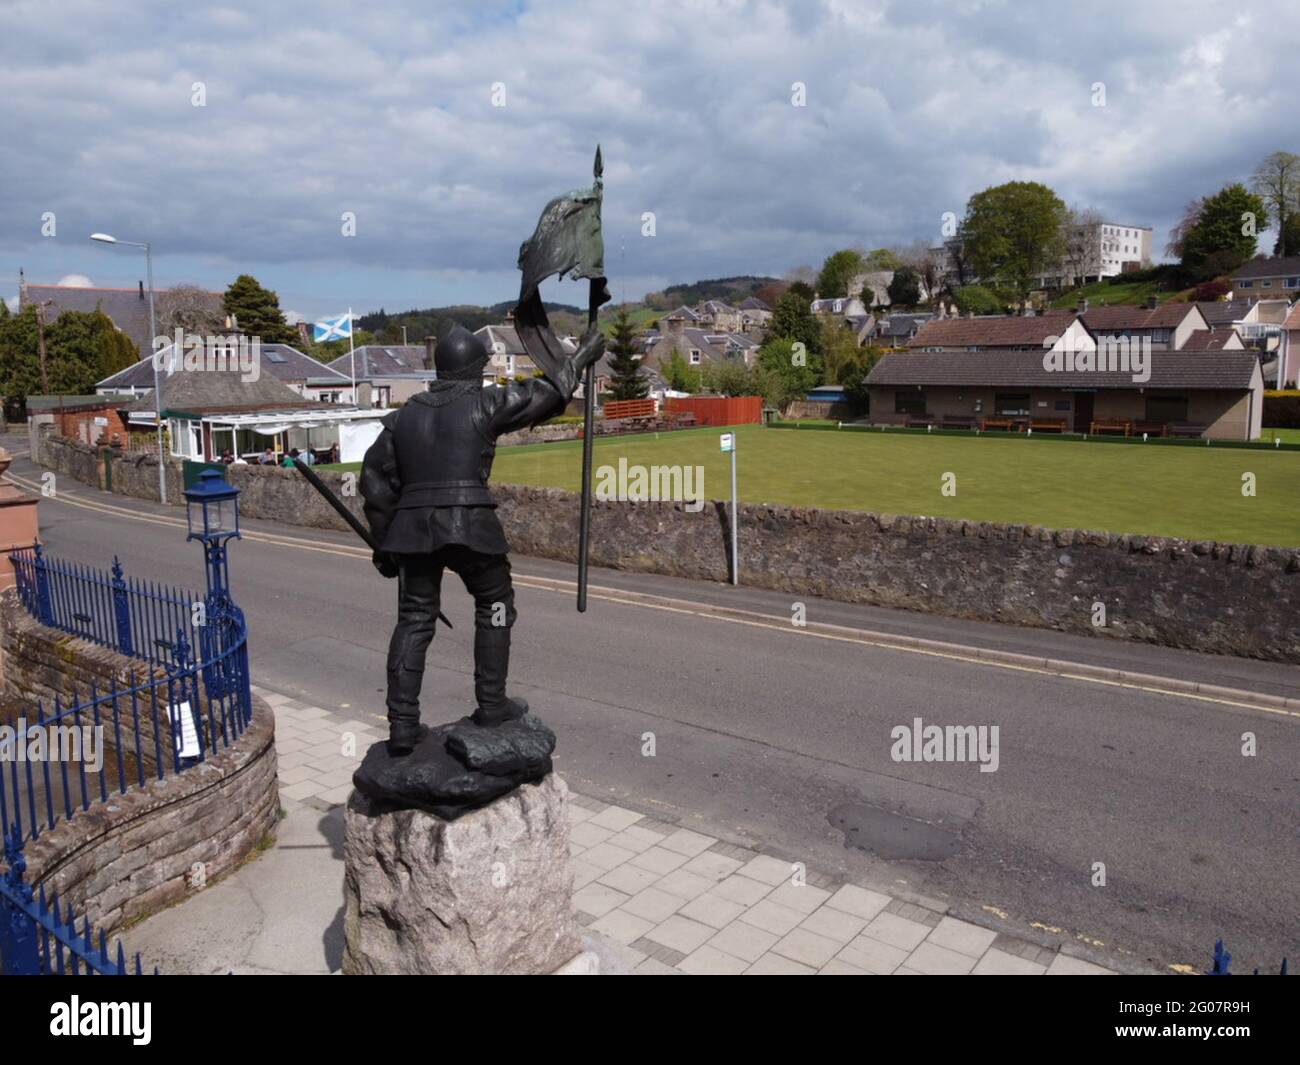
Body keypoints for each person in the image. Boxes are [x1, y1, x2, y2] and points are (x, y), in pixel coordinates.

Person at [361, 324, 605, 754]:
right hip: (471, 525)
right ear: (475, 369)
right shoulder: (486, 402)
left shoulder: (402, 418)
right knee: (494, 606)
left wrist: (385, 544)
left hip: (414, 532)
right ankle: (491, 704)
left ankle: (402, 725)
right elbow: (547, 394)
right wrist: (582, 357)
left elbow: (375, 482)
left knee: (414, 620)